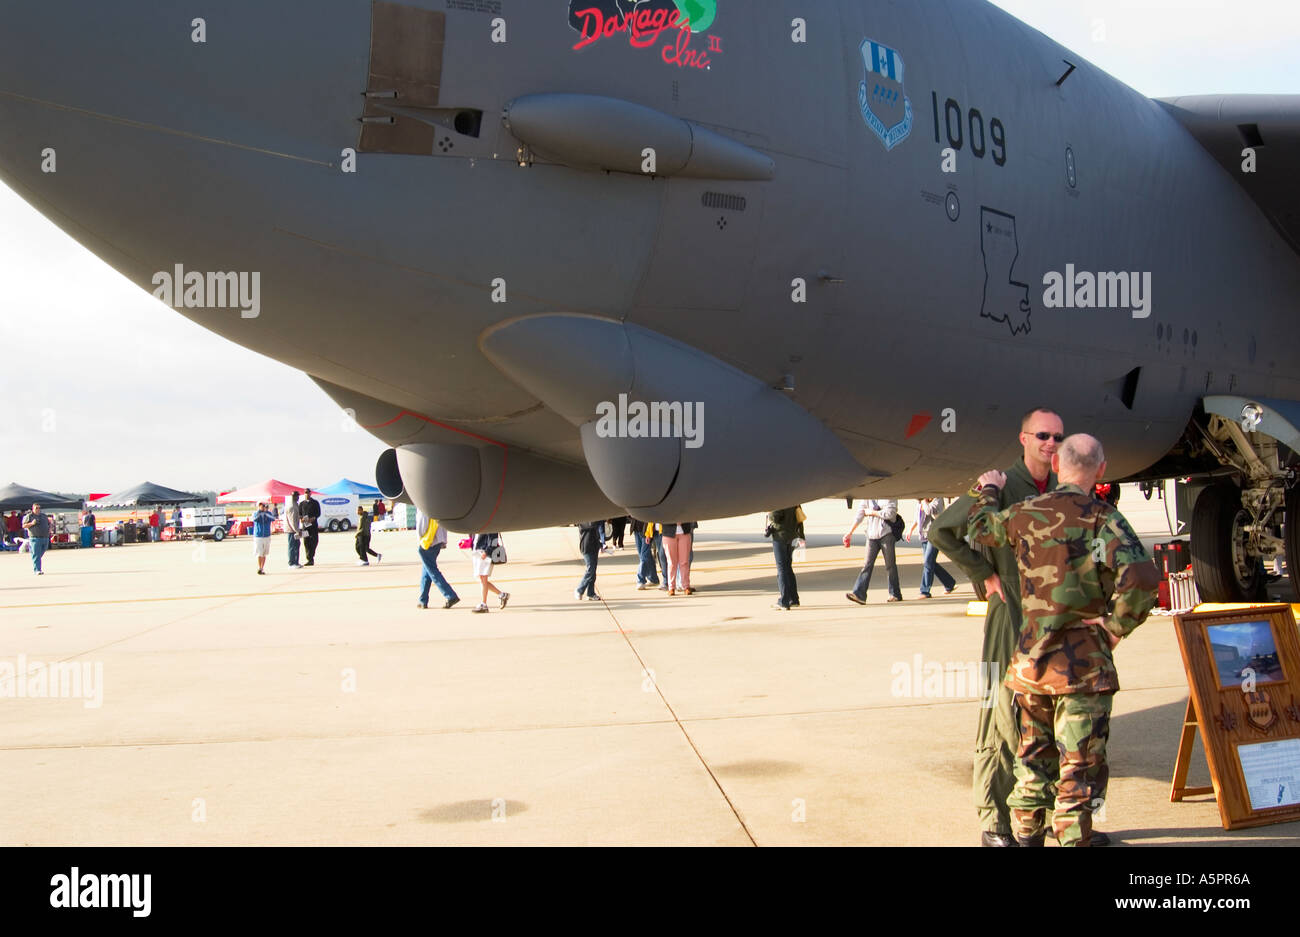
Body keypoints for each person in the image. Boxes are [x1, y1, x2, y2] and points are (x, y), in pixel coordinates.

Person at [968, 434, 1160, 847]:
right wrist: (1114, 627)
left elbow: (981, 529)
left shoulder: (1025, 512)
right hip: (1083, 671)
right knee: (1079, 768)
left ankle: (1025, 838)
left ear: (1057, 465)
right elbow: (1143, 579)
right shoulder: (1103, 519)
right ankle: (1074, 840)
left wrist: (989, 490)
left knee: (1031, 762)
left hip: (1031, 667)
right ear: (1101, 470)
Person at [928, 406, 1063, 847]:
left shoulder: (1062, 488)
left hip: (1055, 616)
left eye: (1058, 437)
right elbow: (941, 531)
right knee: (1002, 714)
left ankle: (1050, 819)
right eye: (1042, 434)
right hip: (1011, 612)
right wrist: (983, 575)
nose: (1051, 443)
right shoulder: (1000, 485)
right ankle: (995, 822)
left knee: (1055, 716)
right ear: (1023, 438)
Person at [843, 498, 901, 604]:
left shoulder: (890, 495)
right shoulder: (868, 496)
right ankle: (859, 594)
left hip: (886, 534)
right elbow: (860, 513)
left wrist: (872, 512)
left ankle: (895, 593)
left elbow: (890, 514)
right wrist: (850, 532)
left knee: (890, 565)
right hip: (871, 535)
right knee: (867, 565)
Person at [909, 497, 956, 598]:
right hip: (924, 535)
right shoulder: (921, 501)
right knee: (930, 562)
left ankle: (925, 591)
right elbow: (918, 517)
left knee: (928, 562)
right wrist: (911, 529)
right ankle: (949, 583)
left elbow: (929, 511)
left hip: (934, 535)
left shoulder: (937, 499)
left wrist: (925, 502)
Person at [416, 511, 459, 609]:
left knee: (432, 571)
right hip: (437, 542)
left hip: (427, 542)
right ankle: (423, 600)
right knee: (427, 571)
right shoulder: (437, 504)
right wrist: (443, 540)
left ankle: (450, 595)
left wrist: (420, 539)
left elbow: (421, 524)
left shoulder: (423, 504)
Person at [766, 506, 805, 610]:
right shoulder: (795, 499)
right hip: (793, 536)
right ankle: (794, 599)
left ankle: (784, 601)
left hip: (780, 537)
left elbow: (775, 517)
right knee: (788, 568)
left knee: (782, 569)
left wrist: (769, 511)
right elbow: (800, 518)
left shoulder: (779, 499)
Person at [471, 532, 509, 612]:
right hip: (478, 552)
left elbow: (493, 540)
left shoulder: (490, 523)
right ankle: (502, 595)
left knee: (483, 578)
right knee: (482, 579)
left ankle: (484, 604)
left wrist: (487, 552)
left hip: (485, 553)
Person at [661, 522, 697, 595]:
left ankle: (686, 586)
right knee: (671, 563)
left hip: (684, 532)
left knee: (684, 562)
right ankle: (671, 587)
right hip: (669, 532)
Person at [576, 521, 603, 601]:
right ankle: (580, 589)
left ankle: (590, 593)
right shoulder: (583, 521)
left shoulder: (594, 520)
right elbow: (591, 525)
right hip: (586, 548)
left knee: (593, 572)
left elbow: (595, 534)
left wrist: (601, 545)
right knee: (590, 570)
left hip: (594, 547)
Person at [632, 519, 661, 591]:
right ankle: (653, 578)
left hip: (647, 530)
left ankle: (641, 580)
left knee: (644, 556)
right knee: (645, 556)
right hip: (636, 528)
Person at [22, 502, 51, 575]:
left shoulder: (43, 516)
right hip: (35, 538)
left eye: (39, 508)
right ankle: (37, 570)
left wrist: (49, 529)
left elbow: (49, 523)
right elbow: (24, 526)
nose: (38, 509)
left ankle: (35, 559)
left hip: (45, 537)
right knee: (36, 555)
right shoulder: (29, 516)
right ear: (33, 509)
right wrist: (31, 523)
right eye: (36, 508)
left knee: (41, 552)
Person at [250, 501, 275, 574]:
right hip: (258, 536)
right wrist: (260, 512)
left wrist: (266, 512)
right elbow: (254, 519)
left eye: (263, 505)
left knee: (264, 553)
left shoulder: (268, 513)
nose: (263, 507)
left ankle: (262, 567)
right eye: (261, 505)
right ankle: (259, 567)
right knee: (259, 553)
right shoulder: (256, 513)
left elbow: (273, 518)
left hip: (267, 535)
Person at [299, 489, 321, 566]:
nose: (307, 494)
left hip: (313, 525)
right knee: (306, 541)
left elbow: (318, 513)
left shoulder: (315, 503)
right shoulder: (302, 504)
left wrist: (313, 518)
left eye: (308, 493)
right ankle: (309, 559)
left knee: (314, 541)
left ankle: (311, 555)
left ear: (310, 494)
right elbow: (299, 514)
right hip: (305, 526)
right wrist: (301, 519)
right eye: (305, 493)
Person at [285, 491, 303, 568]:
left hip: (295, 529)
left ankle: (296, 562)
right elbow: (292, 520)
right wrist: (297, 530)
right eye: (297, 496)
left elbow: (296, 518)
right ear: (293, 496)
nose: (298, 497)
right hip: (292, 530)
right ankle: (291, 563)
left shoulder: (295, 504)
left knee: (297, 545)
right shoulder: (292, 506)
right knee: (292, 546)